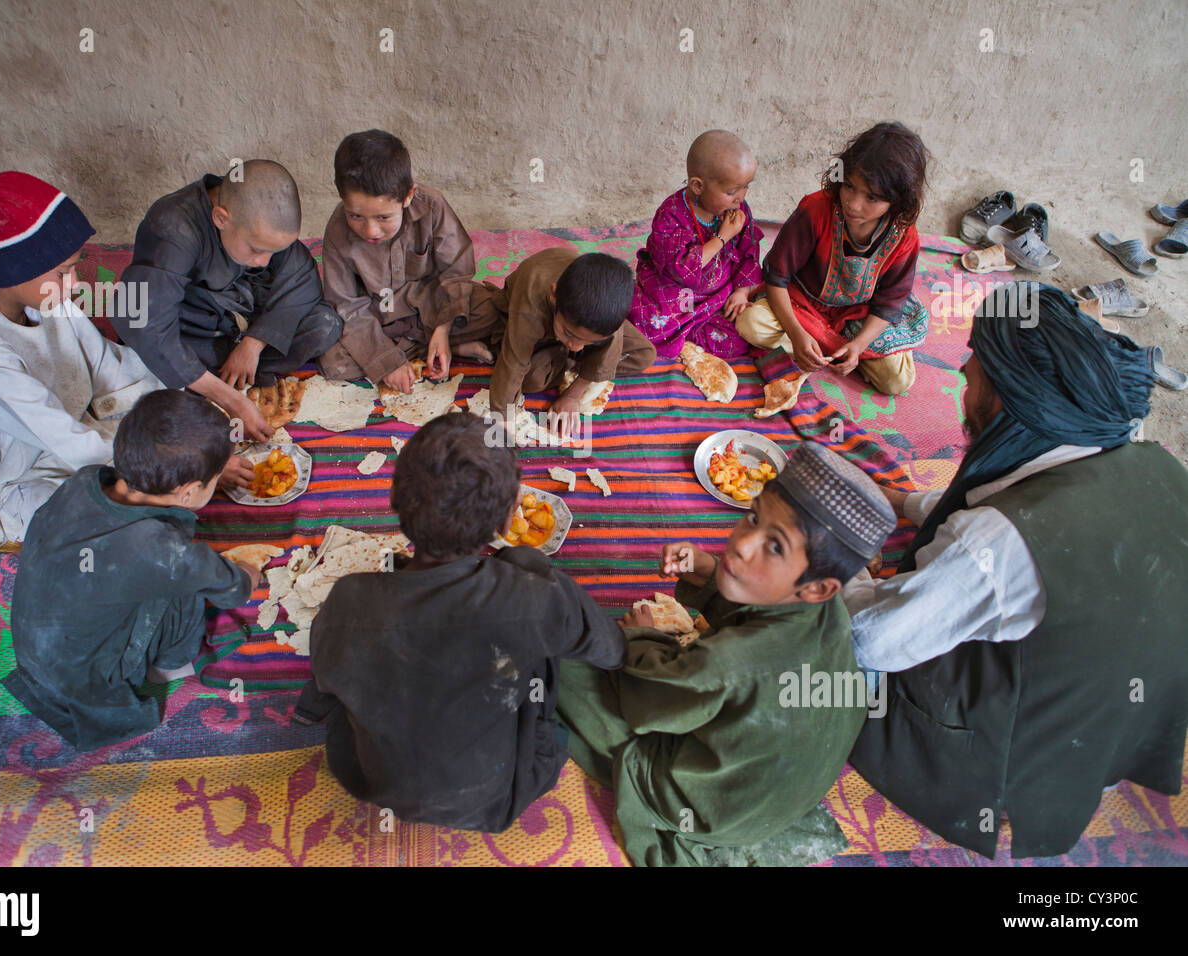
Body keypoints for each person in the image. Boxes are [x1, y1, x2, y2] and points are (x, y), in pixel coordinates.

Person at [846, 283, 1188, 859]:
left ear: (1006, 400)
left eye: (973, 371)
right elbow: (1027, 501)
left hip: (1013, 769)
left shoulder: (993, 542)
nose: (962, 378)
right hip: (1109, 736)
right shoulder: (1157, 465)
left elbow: (868, 638)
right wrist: (903, 501)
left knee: (810, 640)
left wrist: (842, 545)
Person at [557, 441, 896, 866]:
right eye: (754, 517)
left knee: (567, 656)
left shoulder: (731, 663)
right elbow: (762, 610)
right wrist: (707, 572)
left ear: (817, 587)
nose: (742, 545)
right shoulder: (827, 611)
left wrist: (642, 640)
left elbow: (650, 700)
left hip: (712, 807)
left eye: (774, 547)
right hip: (780, 789)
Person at [296, 413, 624, 832]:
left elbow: (327, 673)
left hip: (375, 782)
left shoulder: (347, 599)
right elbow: (607, 647)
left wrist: (311, 709)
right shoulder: (533, 595)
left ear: (394, 497)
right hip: (499, 797)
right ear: (507, 522)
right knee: (532, 577)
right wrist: (630, 647)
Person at [0, 171, 163, 551]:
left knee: (165, 430)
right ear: (14, 270)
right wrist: (169, 465)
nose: (75, 283)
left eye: (75, 266)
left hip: (64, 434)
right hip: (5, 484)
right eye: (64, 272)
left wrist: (177, 410)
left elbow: (108, 365)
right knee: (127, 520)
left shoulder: (34, 293)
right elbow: (68, 441)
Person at [3, 390, 259, 752]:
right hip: (90, 681)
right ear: (188, 493)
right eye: (214, 480)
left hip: (40, 656)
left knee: (158, 572)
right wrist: (248, 573)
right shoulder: (160, 551)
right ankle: (170, 662)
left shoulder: (85, 479)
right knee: (188, 579)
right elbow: (233, 589)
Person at [114, 159, 342, 456]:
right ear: (221, 218)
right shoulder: (172, 227)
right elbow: (141, 319)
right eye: (257, 250)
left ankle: (224, 371)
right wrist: (231, 401)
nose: (264, 260)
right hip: (194, 331)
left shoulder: (259, 223)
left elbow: (302, 279)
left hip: (243, 324)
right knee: (148, 354)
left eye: (274, 251)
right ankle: (216, 379)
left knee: (325, 324)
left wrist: (253, 344)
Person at [735, 122, 930, 395]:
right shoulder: (816, 210)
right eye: (849, 186)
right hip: (803, 304)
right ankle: (823, 347)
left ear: (897, 202)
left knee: (898, 381)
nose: (853, 203)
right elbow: (776, 277)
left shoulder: (904, 238)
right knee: (751, 325)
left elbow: (888, 305)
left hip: (859, 316)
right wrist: (796, 332)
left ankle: (840, 350)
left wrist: (859, 345)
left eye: (871, 197)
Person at [318, 130, 497, 392]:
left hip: (429, 304)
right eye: (356, 216)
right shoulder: (336, 230)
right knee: (333, 362)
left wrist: (443, 328)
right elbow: (347, 307)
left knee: (490, 309)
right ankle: (434, 349)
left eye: (383, 218)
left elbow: (457, 272)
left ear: (408, 196)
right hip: (376, 316)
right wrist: (386, 362)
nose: (370, 231)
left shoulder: (432, 206)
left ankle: (435, 344)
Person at [473, 248, 657, 435]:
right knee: (532, 381)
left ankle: (570, 354)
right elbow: (514, 360)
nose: (576, 347)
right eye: (569, 334)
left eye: (590, 343)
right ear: (553, 295)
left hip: (581, 321)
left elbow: (610, 348)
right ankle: (568, 358)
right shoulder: (532, 302)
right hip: (529, 319)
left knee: (643, 355)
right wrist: (504, 418)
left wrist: (572, 396)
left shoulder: (606, 317)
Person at [627, 129, 763, 359]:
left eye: (746, 186)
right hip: (676, 293)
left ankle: (684, 334)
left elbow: (748, 250)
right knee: (648, 324)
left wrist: (741, 292)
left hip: (717, 296)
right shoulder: (670, 215)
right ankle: (681, 332)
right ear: (697, 186)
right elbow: (679, 269)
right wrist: (721, 238)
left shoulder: (737, 208)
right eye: (731, 191)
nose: (740, 197)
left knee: (740, 341)